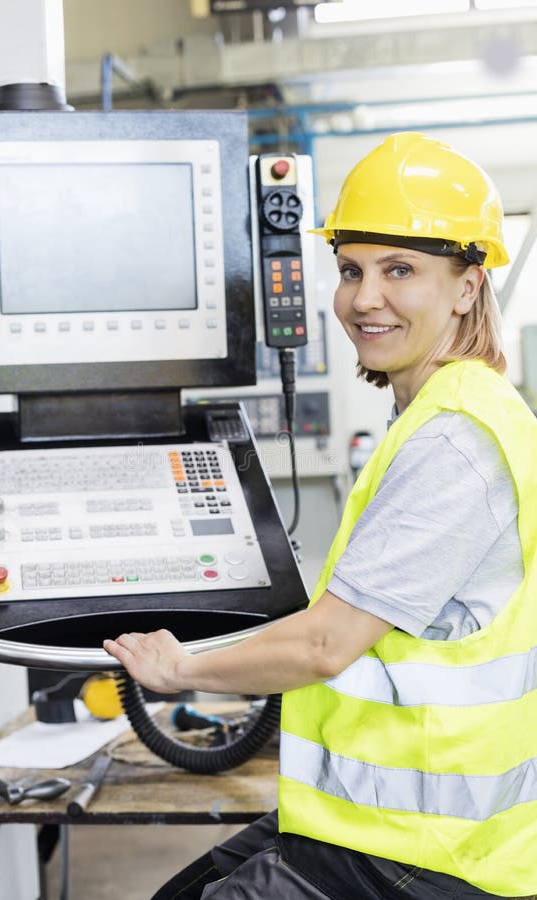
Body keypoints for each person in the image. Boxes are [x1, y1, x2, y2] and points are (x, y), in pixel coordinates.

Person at [104, 132, 537, 899]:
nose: (364, 298)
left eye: (399, 270)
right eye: (350, 271)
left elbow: (327, 643)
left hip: (430, 847)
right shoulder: (436, 417)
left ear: (468, 286)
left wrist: (184, 670)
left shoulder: (458, 438)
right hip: (376, 818)